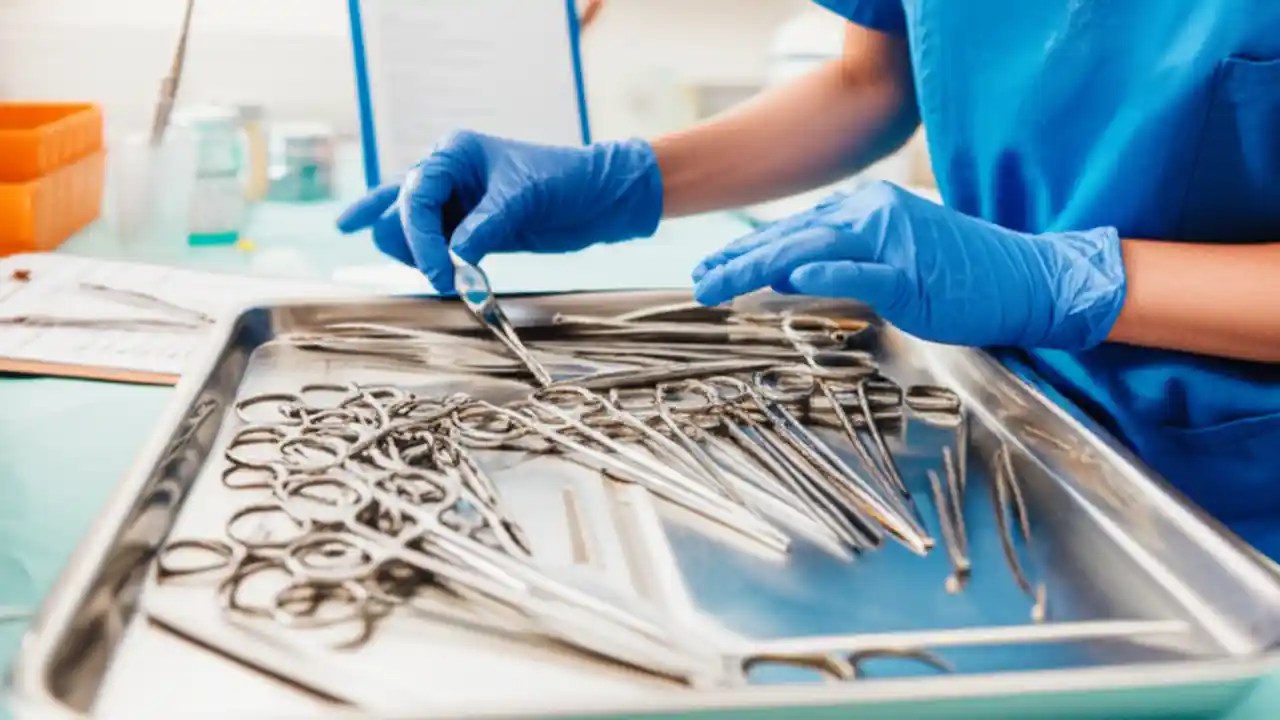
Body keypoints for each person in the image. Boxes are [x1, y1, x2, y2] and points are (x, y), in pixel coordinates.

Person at [338, 2, 1280, 557]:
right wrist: (626, 181)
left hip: (1240, 484)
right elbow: (873, 84)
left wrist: (1060, 278)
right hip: (1006, 416)